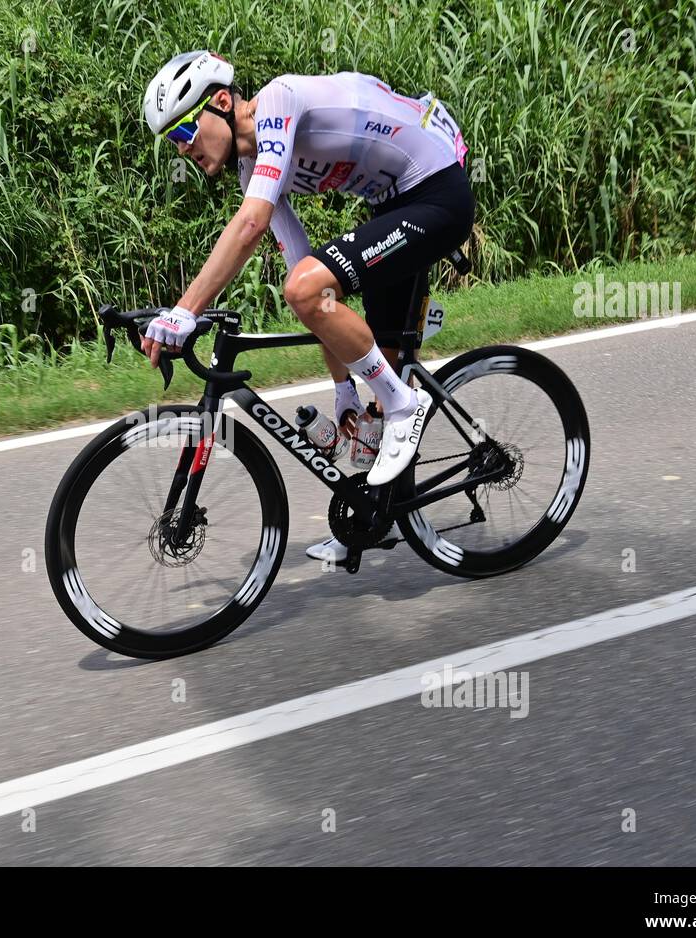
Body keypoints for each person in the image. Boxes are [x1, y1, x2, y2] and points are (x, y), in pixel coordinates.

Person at [142, 51, 475, 560]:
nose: (183, 149)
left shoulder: (279, 102)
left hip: (435, 192)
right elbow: (305, 273)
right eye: (173, 142)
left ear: (224, 102)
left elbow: (251, 226)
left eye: (184, 133)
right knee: (317, 301)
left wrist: (184, 309)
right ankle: (373, 520)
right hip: (393, 203)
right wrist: (342, 388)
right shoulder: (252, 165)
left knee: (311, 296)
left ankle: (407, 405)